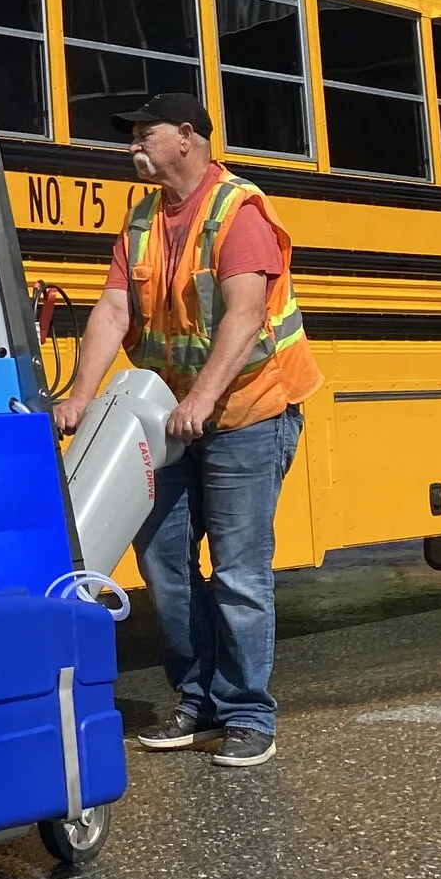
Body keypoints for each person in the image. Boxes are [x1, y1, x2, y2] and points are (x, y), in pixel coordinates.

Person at [51, 92, 320, 769]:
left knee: (237, 569)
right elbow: (113, 309)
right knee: (164, 564)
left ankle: (249, 711)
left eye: (145, 132)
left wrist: (200, 399)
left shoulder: (239, 211)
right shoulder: (143, 218)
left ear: (188, 138)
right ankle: (195, 698)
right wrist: (79, 395)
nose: (132, 144)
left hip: (248, 412)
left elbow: (245, 314)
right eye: (132, 134)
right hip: (168, 416)